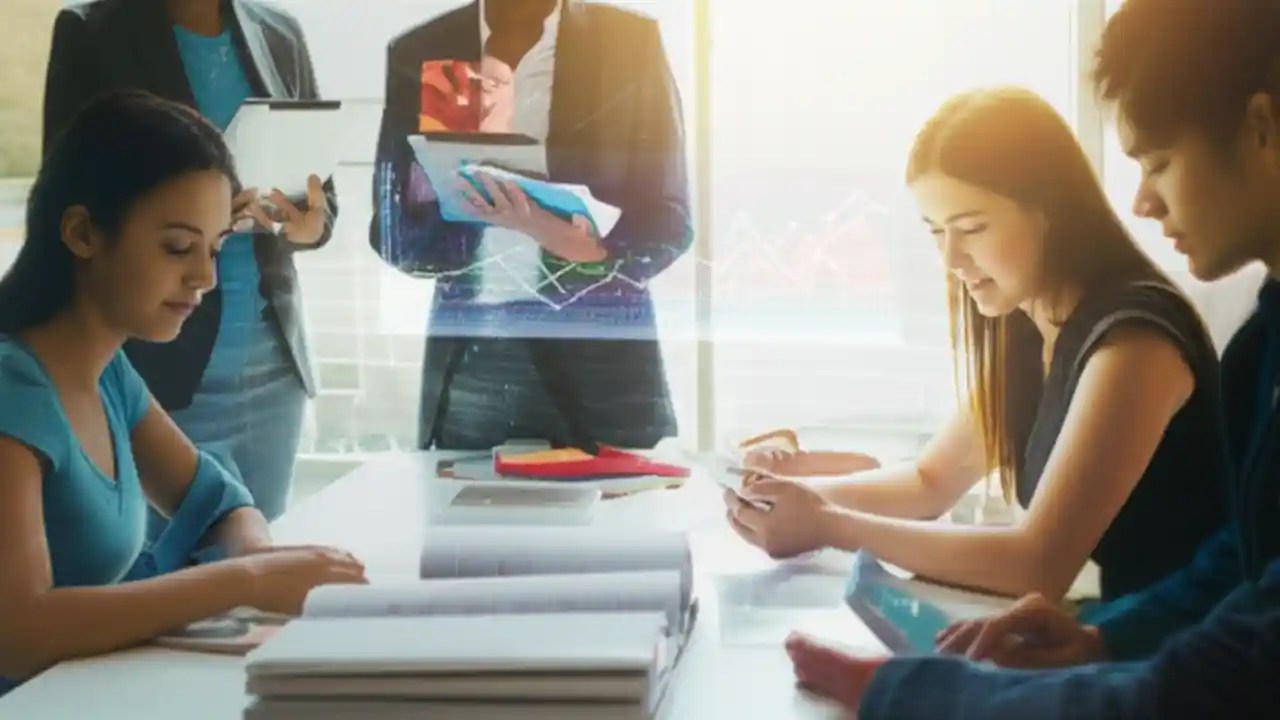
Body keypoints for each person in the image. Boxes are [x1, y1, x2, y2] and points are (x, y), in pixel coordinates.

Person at [784, 1, 1280, 716]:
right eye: (935, 233)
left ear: (1261, 129)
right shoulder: (1259, 346)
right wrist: (1103, 638)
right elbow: (1240, 571)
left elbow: (1234, 664)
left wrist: (915, 691)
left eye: (1160, 163)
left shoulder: (1136, 335)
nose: (1142, 200)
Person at [727, 88, 1227, 603]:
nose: (952, 259)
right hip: (1105, 642)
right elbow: (929, 481)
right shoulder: (1032, 322)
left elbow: (1038, 563)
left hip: (1168, 657)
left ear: (1048, 211)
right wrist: (778, 500)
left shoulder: (1134, 344)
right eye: (937, 232)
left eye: (971, 228)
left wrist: (829, 525)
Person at [0, 90, 364, 696]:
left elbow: (220, 501)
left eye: (215, 248)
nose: (205, 277)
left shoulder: (106, 372)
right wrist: (247, 579)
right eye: (177, 247)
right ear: (83, 233)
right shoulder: (13, 387)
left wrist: (263, 566)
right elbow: (19, 630)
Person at [43, 0, 339, 523]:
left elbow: (321, 198)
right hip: (155, 370)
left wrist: (308, 226)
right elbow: (68, 201)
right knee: (156, 580)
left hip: (272, 374)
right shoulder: (92, 31)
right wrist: (198, 213)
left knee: (256, 579)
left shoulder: (280, 32)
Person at [369, 0, 691, 452]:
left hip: (600, 354)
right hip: (475, 362)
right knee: (473, 520)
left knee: (616, 520)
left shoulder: (626, 45)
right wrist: (445, 214)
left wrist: (594, 253)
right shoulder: (424, 50)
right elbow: (390, 228)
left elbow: (671, 217)